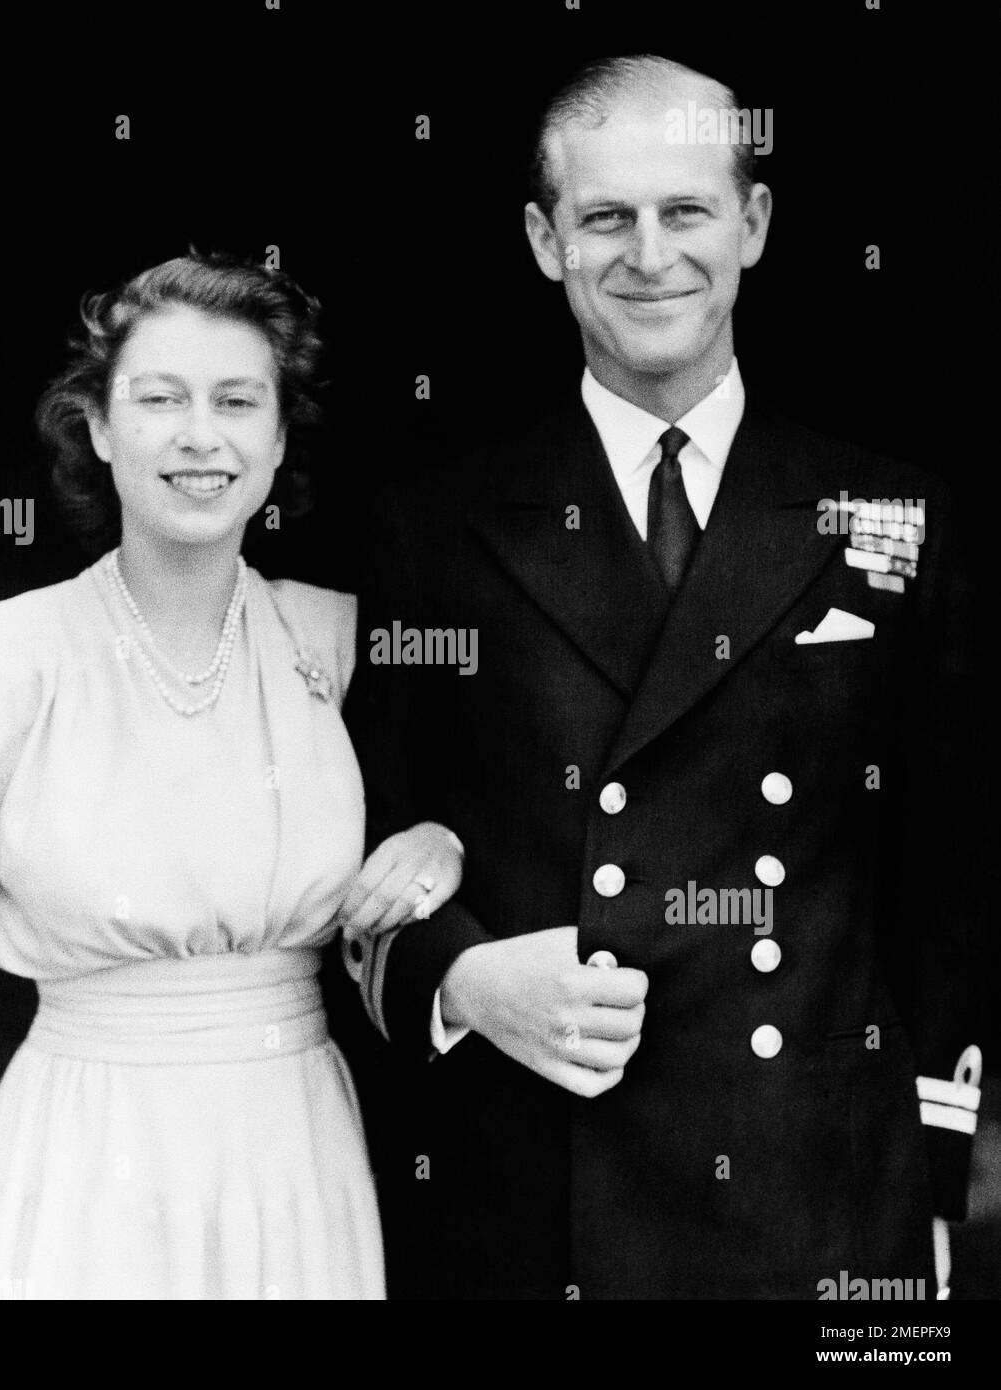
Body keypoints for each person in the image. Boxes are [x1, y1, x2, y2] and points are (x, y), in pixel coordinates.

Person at [342, 55, 987, 1299]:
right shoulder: (441, 524)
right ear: (545, 242)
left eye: (684, 211)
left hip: (818, 1193)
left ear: (749, 225)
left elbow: (946, 880)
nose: (650, 254)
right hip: (535, 1194)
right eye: (605, 217)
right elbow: (359, 843)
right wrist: (463, 981)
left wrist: (932, 1177)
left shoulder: (889, 511)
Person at [0, 252, 462, 1300]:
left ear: (277, 438)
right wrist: (27, 1170)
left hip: (297, 1158)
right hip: (76, 1152)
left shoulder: (344, 641)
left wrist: (442, 842)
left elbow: (465, 840)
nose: (198, 435)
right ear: (98, 426)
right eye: (158, 398)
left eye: (236, 401)